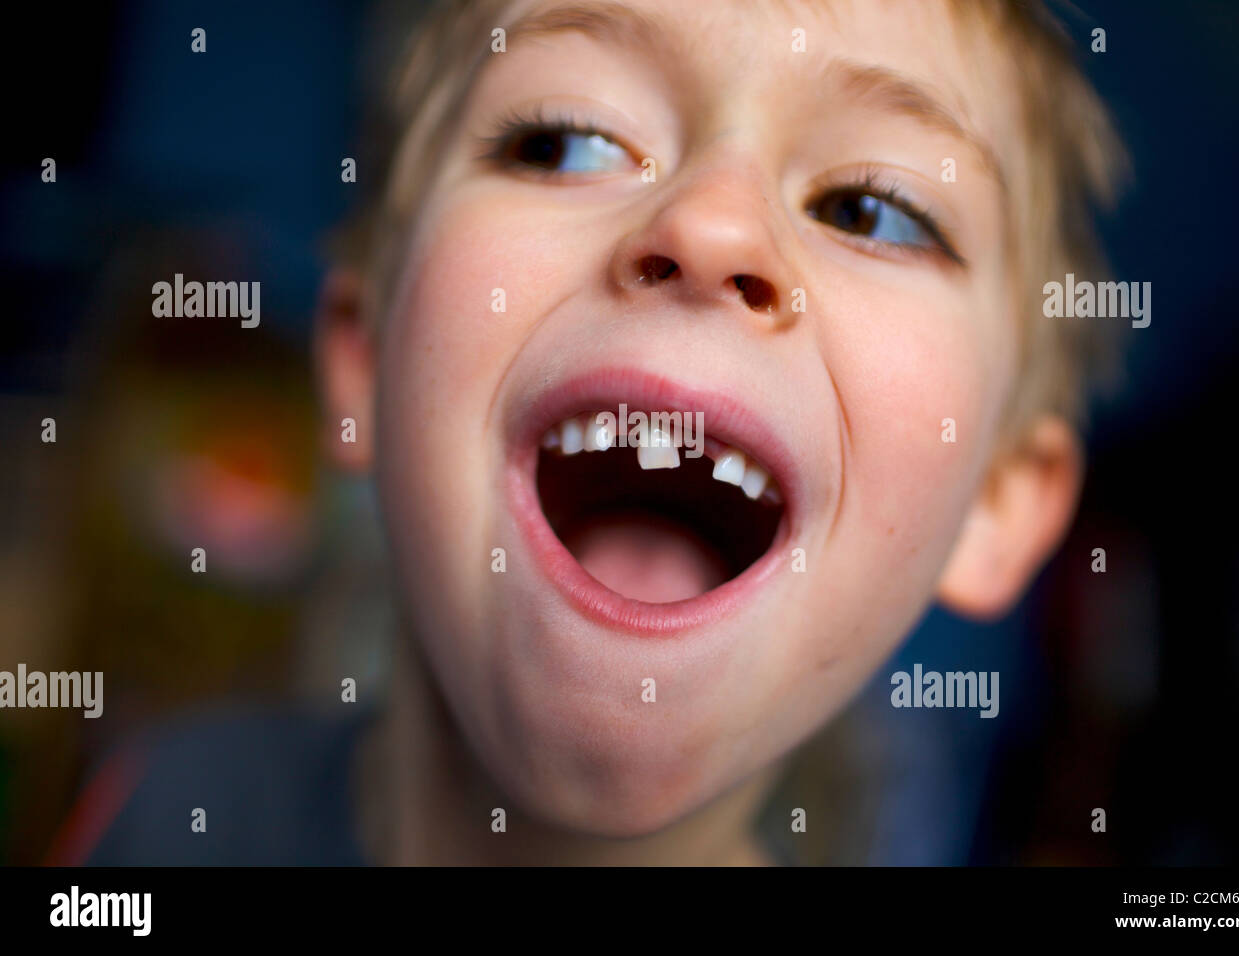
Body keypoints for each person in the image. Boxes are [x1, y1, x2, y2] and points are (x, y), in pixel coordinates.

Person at [56, 0, 1128, 866]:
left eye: (871, 210)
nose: (711, 226)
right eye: (563, 142)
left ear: (995, 498)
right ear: (365, 357)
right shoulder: (167, 806)